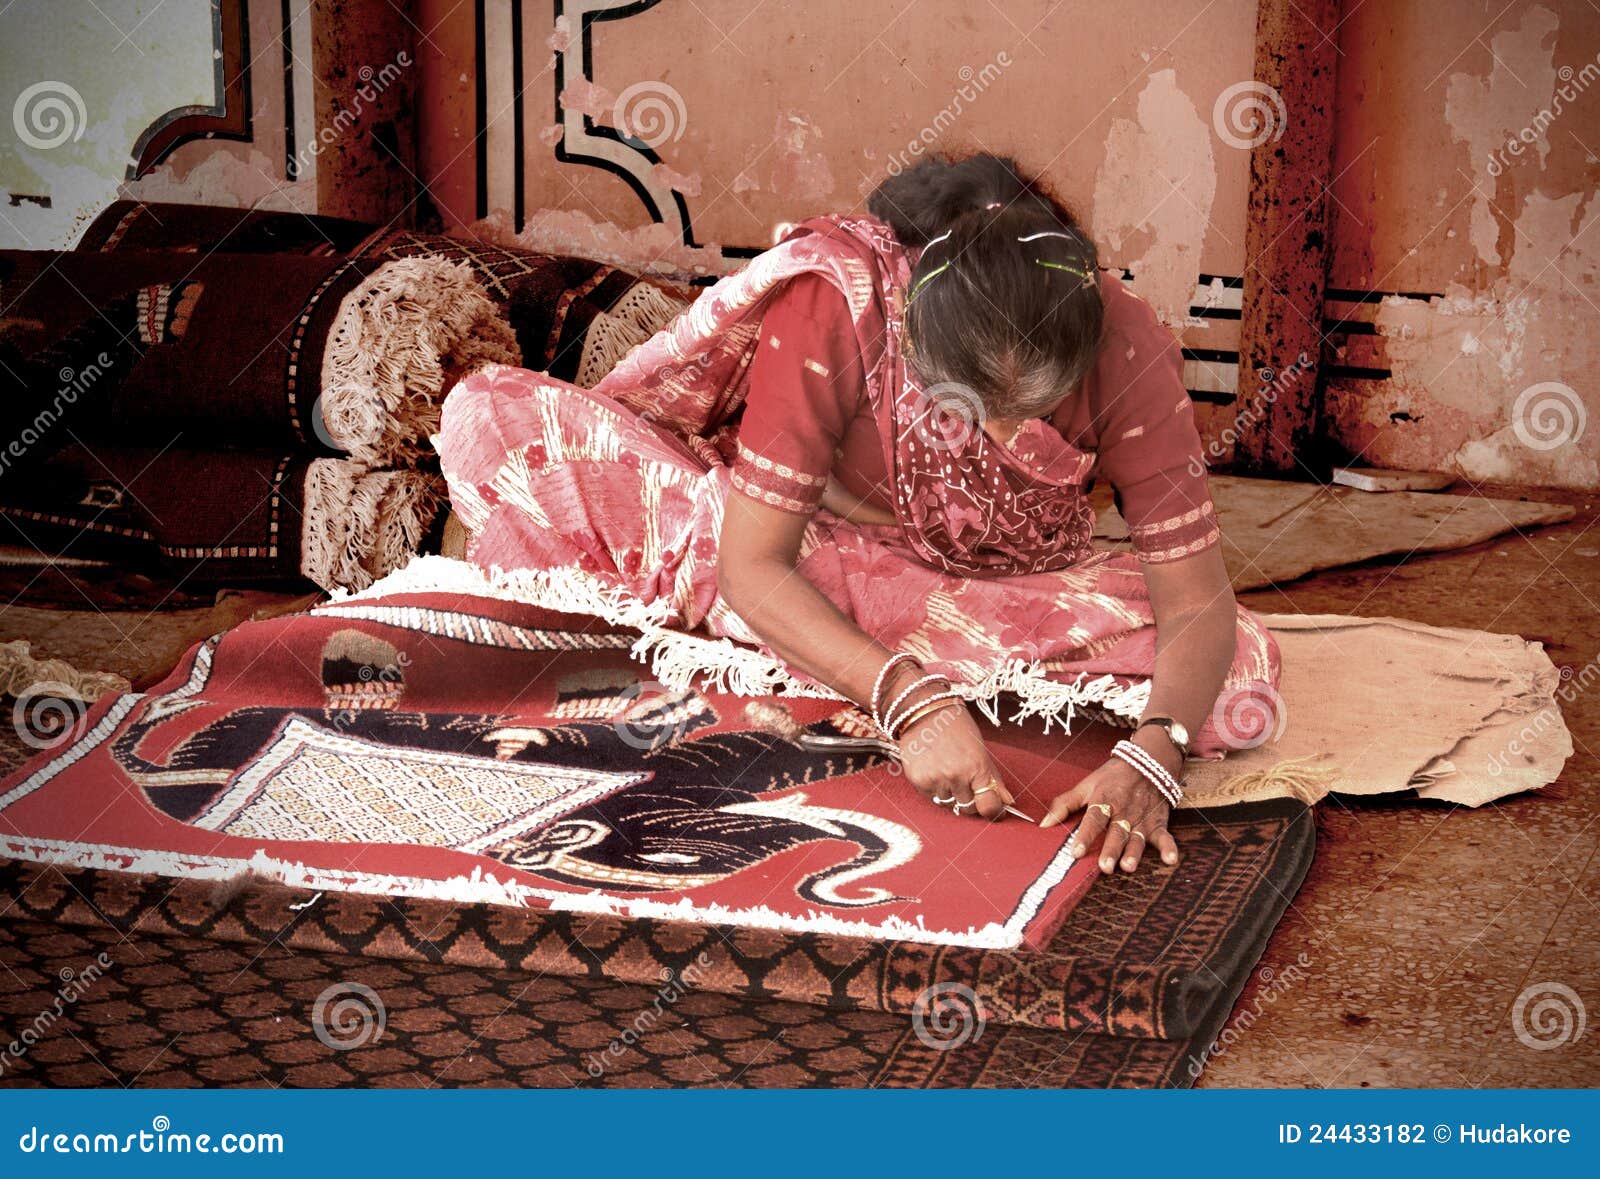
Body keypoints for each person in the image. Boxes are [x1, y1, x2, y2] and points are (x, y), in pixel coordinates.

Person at [436, 152, 1280, 876]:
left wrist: (1156, 752)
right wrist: (906, 699)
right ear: (913, 332)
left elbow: (1195, 603)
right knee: (494, 420)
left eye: (1031, 410)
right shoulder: (841, 301)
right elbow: (753, 563)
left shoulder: (1126, 343)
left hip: (996, 595)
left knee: (1233, 661)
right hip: (812, 552)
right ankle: (861, 653)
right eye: (974, 405)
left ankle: (788, 647)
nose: (999, 436)